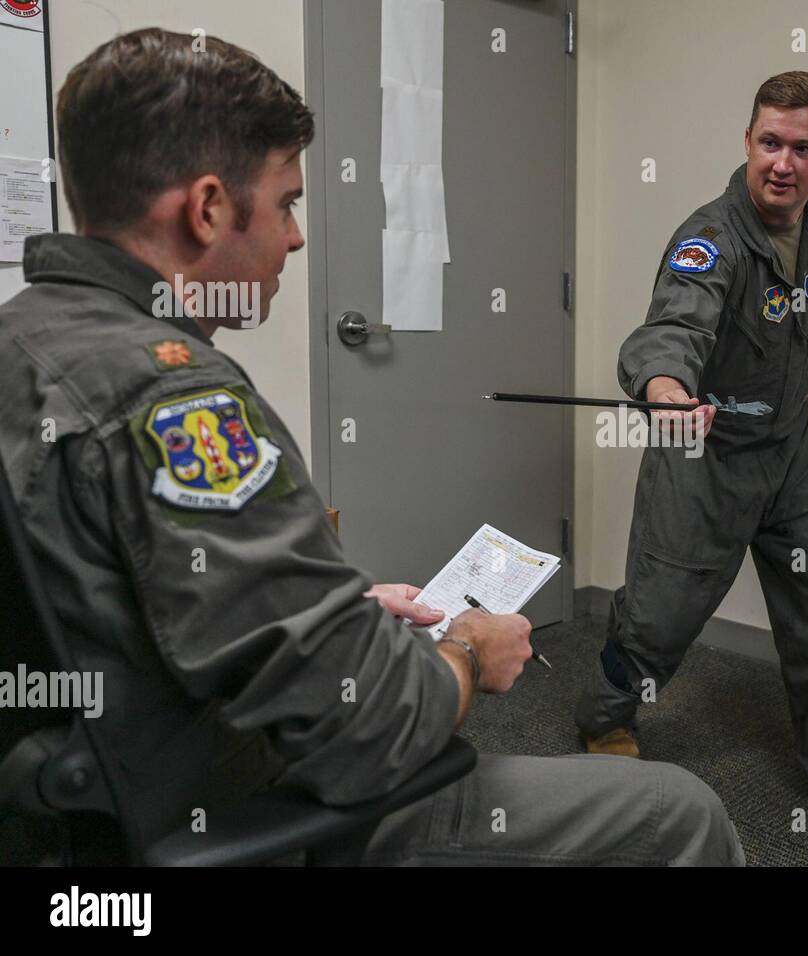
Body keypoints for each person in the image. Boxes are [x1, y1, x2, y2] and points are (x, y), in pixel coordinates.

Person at [0, 28, 742, 867]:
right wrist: (467, 647)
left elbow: (137, 595)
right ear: (207, 209)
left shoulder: (24, 338)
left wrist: (337, 615)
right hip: (239, 807)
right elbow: (371, 726)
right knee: (676, 812)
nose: (296, 238)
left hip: (89, 793)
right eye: (286, 202)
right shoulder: (176, 399)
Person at [574, 71, 808, 840]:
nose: (782, 162)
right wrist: (665, 391)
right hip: (704, 452)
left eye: (802, 148)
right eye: (769, 143)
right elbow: (673, 331)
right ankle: (607, 718)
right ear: (749, 142)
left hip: (790, 451)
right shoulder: (708, 237)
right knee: (659, 617)